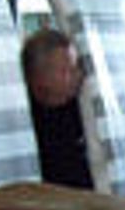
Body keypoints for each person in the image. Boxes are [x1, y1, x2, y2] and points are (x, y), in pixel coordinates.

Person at [21, 28, 94, 189]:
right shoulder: (24, 121)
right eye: (66, 70)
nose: (78, 75)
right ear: (39, 76)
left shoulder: (86, 109)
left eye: (76, 68)